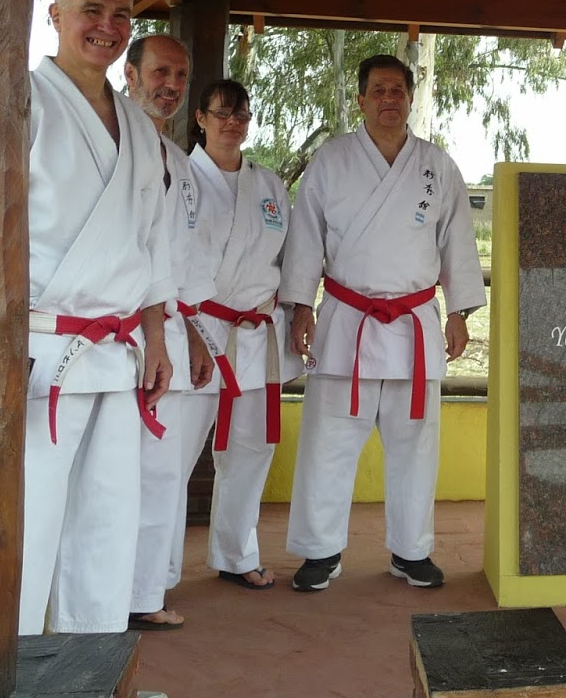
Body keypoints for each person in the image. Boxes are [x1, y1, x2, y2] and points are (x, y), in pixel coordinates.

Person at [280, 54, 486, 591]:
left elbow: (457, 242)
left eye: (398, 90)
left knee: (415, 445)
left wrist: (460, 310)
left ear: (410, 97)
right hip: (348, 320)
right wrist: (301, 304)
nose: (389, 99)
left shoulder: (437, 166)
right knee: (328, 441)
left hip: (414, 323)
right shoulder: (331, 160)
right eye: (378, 90)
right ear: (361, 99)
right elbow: (305, 237)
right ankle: (320, 551)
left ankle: (410, 551)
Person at [22, 0, 173, 636]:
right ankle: (12, 676)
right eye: (91, 10)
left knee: (107, 522)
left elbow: (152, 245)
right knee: (28, 522)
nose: (106, 27)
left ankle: (94, 674)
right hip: (40, 350)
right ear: (55, 16)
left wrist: (158, 340)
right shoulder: (20, 101)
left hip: (118, 353)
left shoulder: (142, 128)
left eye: (121, 15)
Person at [186, 79, 294, 591]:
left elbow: (287, 259)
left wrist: (295, 316)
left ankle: (236, 553)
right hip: (195, 328)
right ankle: (149, 578)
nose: (233, 122)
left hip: (254, 331)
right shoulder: (179, 177)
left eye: (242, 113)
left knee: (251, 449)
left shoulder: (269, 185)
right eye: (222, 112)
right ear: (200, 119)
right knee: (174, 456)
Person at [124, 34, 215, 631]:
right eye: (160, 72)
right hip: (115, 329)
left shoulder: (181, 164)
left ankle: (144, 591)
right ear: (129, 74)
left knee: (164, 473)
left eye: (180, 77)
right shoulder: (110, 143)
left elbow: (185, 262)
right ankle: (97, 596)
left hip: (172, 330)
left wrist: (197, 333)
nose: (171, 87)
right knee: (110, 475)